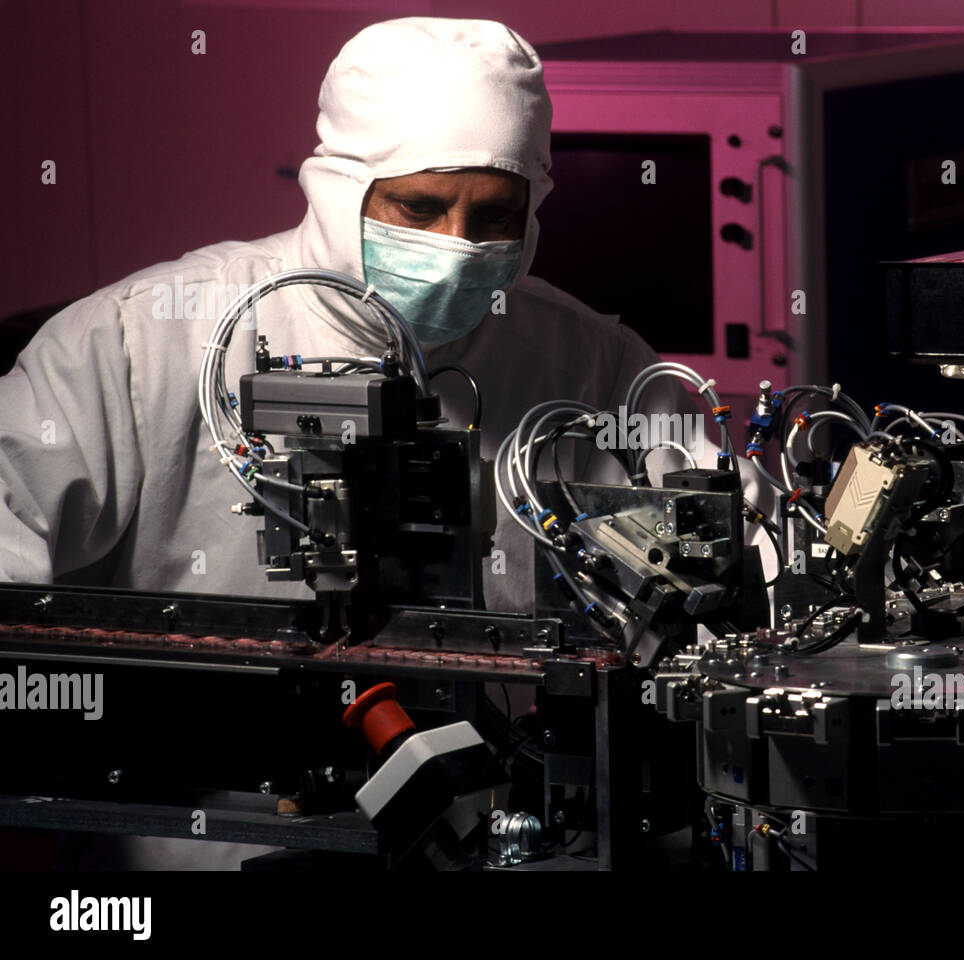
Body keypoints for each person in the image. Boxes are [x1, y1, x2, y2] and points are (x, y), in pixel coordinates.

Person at [0, 17, 717, 870]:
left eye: (493, 216)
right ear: (341, 188)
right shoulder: (133, 345)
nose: (456, 248)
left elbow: (722, 562)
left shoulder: (591, 362)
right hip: (207, 840)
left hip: (507, 831)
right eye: (419, 207)